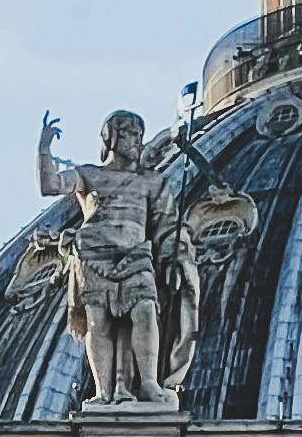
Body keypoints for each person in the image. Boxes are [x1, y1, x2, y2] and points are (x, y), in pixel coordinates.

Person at [36, 108, 199, 408]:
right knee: (98, 323)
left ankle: (148, 382)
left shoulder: (152, 182)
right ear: (110, 138)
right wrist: (44, 150)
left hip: (136, 256)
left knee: (145, 311)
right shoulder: (89, 175)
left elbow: (167, 225)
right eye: (130, 134)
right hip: (94, 257)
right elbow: (51, 186)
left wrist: (175, 259)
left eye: (139, 134)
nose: (137, 141)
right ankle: (103, 391)